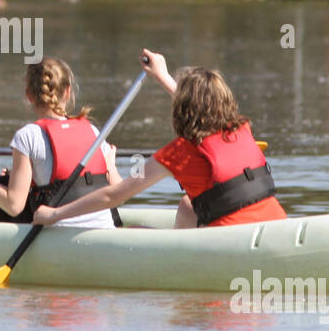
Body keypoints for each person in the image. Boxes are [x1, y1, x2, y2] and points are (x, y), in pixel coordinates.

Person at [34, 49, 285, 229]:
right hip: (276, 224)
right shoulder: (240, 129)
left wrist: (55, 214)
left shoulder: (177, 155)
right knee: (188, 205)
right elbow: (201, 106)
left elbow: (114, 196)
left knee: (138, 229)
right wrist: (161, 75)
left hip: (233, 239)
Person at [0, 57, 121, 229]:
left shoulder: (27, 136)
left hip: (58, 238)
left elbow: (14, 206)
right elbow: (120, 192)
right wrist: (110, 165)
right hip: (104, 232)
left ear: (29, 95)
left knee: (4, 183)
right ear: (67, 92)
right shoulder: (93, 131)